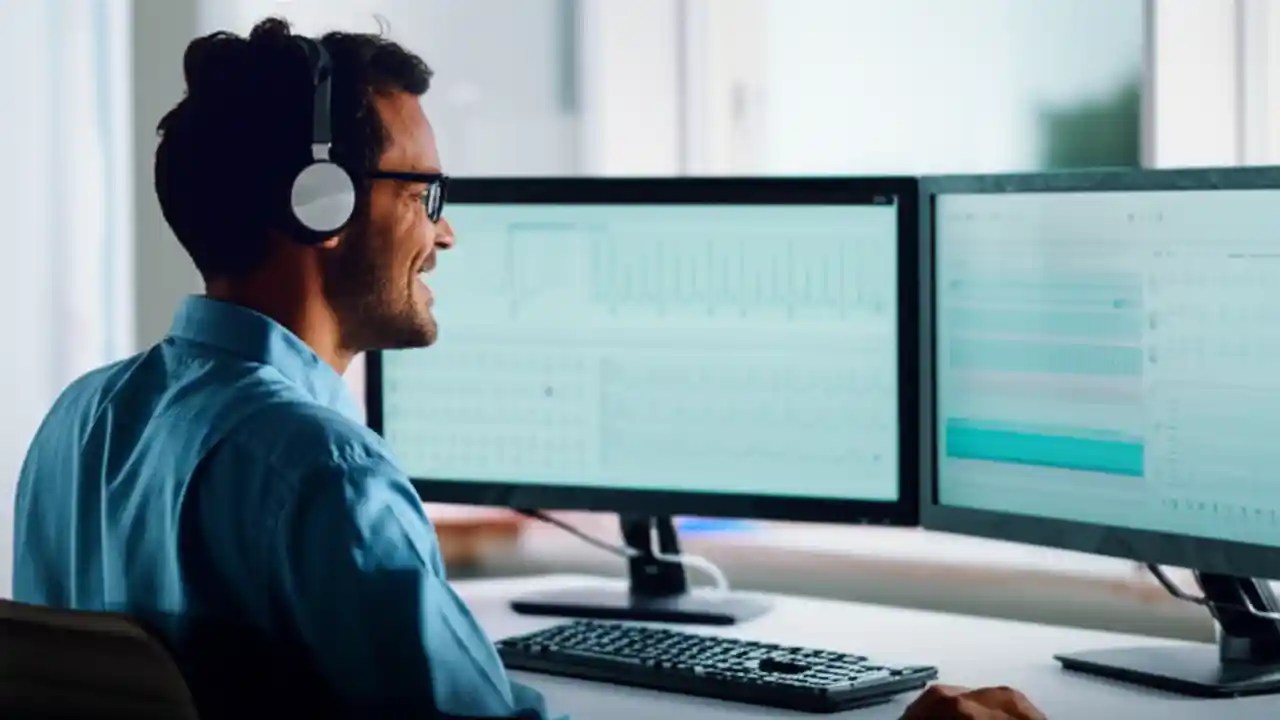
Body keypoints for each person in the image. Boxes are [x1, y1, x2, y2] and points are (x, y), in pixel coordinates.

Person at [11, 15, 1044, 720]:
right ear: (317, 205)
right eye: (426, 193)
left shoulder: (80, 417)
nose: (445, 236)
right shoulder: (319, 467)